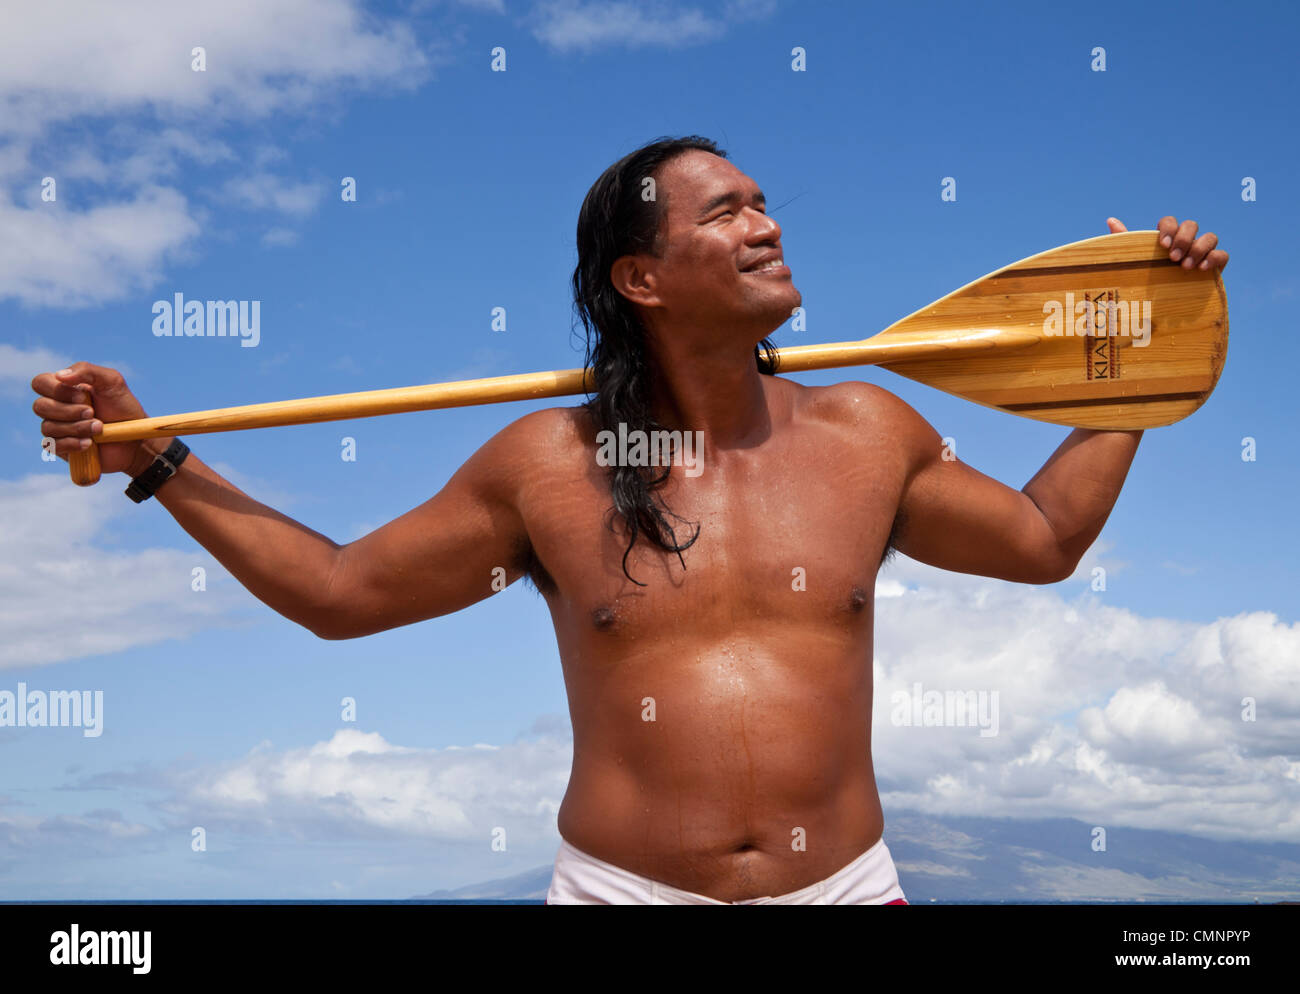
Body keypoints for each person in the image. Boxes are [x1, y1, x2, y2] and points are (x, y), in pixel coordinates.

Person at [30, 135, 1229, 905]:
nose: (765, 223)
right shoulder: (544, 465)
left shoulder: (868, 429)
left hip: (849, 891)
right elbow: (341, 595)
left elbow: (1042, 542)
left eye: (765, 202)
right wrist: (160, 459)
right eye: (725, 212)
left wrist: (1133, 364)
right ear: (640, 278)